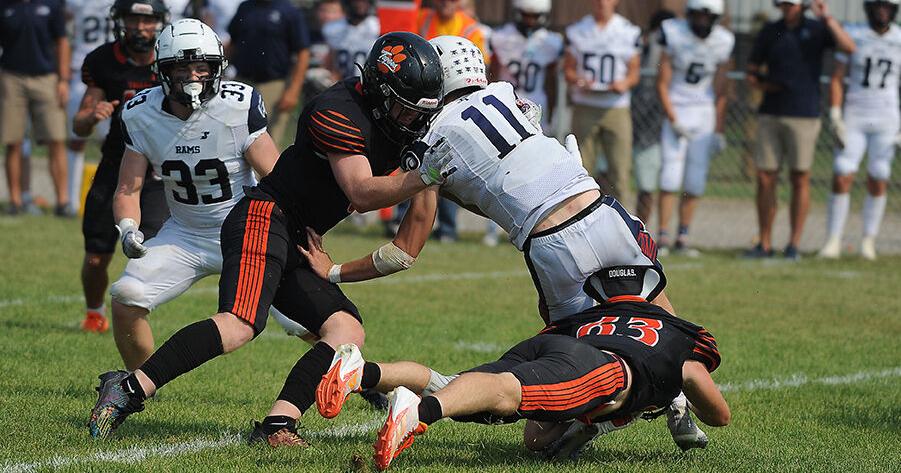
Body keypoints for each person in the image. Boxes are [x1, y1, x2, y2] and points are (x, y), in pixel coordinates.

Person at [87, 32, 449, 444]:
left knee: (346, 332)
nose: (412, 120)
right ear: (381, 93)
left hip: (295, 235)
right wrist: (428, 172)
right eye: (404, 109)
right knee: (240, 324)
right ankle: (129, 388)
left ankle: (279, 423)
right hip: (264, 216)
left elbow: (412, 230)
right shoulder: (337, 110)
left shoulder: (401, 119)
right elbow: (362, 194)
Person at [318, 299, 730, 471]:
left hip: (557, 342)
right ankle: (416, 413)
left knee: (464, 389)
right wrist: (675, 398)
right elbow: (720, 415)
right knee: (504, 393)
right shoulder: (680, 341)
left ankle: (364, 371)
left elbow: (536, 435)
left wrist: (590, 424)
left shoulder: (596, 314)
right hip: (603, 369)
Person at [108, 18, 278, 370]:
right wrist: (127, 228)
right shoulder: (141, 114)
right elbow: (129, 187)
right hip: (184, 234)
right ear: (162, 71)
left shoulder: (237, 105)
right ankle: (139, 385)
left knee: (307, 320)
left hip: (243, 233)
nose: (194, 76)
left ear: (217, 68)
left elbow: (276, 176)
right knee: (126, 297)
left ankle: (363, 382)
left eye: (203, 67)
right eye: (183, 67)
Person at [73, 0, 171, 333]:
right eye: (134, 20)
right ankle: (93, 311)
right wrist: (91, 115)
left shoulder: (170, 58)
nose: (141, 28)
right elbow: (79, 125)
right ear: (120, 21)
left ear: (159, 23)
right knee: (96, 256)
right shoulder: (103, 61)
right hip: (117, 165)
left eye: (148, 21)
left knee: (153, 251)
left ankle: (136, 315)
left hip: (160, 170)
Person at [745, 0, 855, 260]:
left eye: (791, 4)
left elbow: (849, 46)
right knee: (765, 177)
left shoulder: (817, 29)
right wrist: (766, 85)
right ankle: (765, 242)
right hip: (771, 112)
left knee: (799, 178)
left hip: (804, 113)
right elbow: (751, 70)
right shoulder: (771, 30)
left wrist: (827, 16)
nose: (787, 8)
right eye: (783, 4)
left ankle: (793, 244)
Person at [819, 0, 901, 261]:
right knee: (842, 172)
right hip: (855, 113)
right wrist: (835, 114)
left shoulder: (899, 38)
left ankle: (868, 240)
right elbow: (837, 77)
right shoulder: (853, 34)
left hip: (886, 115)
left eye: (887, 7)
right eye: (878, 7)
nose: (882, 12)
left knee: (879, 175)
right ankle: (833, 240)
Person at [655, 0, 734, 257]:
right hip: (677, 107)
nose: (701, 21)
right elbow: (662, 82)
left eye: (706, 16)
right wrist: (673, 117)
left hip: (703, 113)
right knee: (670, 175)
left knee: (695, 179)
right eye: (697, 15)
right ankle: (663, 236)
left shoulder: (723, 41)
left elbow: (721, 89)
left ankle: (683, 237)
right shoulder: (674, 32)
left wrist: (719, 129)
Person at [416, 0, 490, 243]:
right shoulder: (423, 19)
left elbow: (480, 67)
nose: (445, 3)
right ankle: (406, 220)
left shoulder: (470, 28)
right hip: (424, 95)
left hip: (455, 99)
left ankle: (447, 227)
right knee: (416, 159)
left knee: (449, 162)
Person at [563, 0, 642, 201]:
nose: (601, 2)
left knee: (620, 173)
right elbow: (569, 70)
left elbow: (634, 74)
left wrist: (624, 83)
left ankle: (622, 227)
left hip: (616, 108)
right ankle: (580, 224)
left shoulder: (627, 30)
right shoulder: (578, 30)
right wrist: (579, 81)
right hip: (585, 105)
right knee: (580, 171)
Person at [1, 0, 71, 215]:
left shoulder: (52, 4)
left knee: (56, 140)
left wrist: (63, 80)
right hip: (11, 78)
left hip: (46, 78)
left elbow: (62, 41)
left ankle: (62, 201)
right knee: (13, 142)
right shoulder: (4, 5)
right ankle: (15, 201)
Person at [227, 0, 310, 146]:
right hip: (242, 82)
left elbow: (303, 52)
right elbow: (233, 43)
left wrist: (294, 90)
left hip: (274, 84)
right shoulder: (245, 7)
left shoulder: (289, 11)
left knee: (269, 141)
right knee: (235, 138)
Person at [65, 0, 116, 214]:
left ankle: (77, 200)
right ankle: (72, 201)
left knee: (113, 143)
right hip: (88, 70)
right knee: (81, 139)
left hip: (98, 71)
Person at [489, 0, 561, 136]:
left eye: (535, 16)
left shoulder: (549, 41)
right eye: (526, 15)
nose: (530, 21)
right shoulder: (500, 37)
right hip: (507, 102)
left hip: (537, 105)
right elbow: (492, 76)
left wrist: (552, 115)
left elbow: (551, 83)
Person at [322, 0, 380, 81]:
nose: (360, 4)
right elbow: (330, 62)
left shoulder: (377, 26)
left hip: (369, 84)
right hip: (341, 85)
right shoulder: (333, 28)